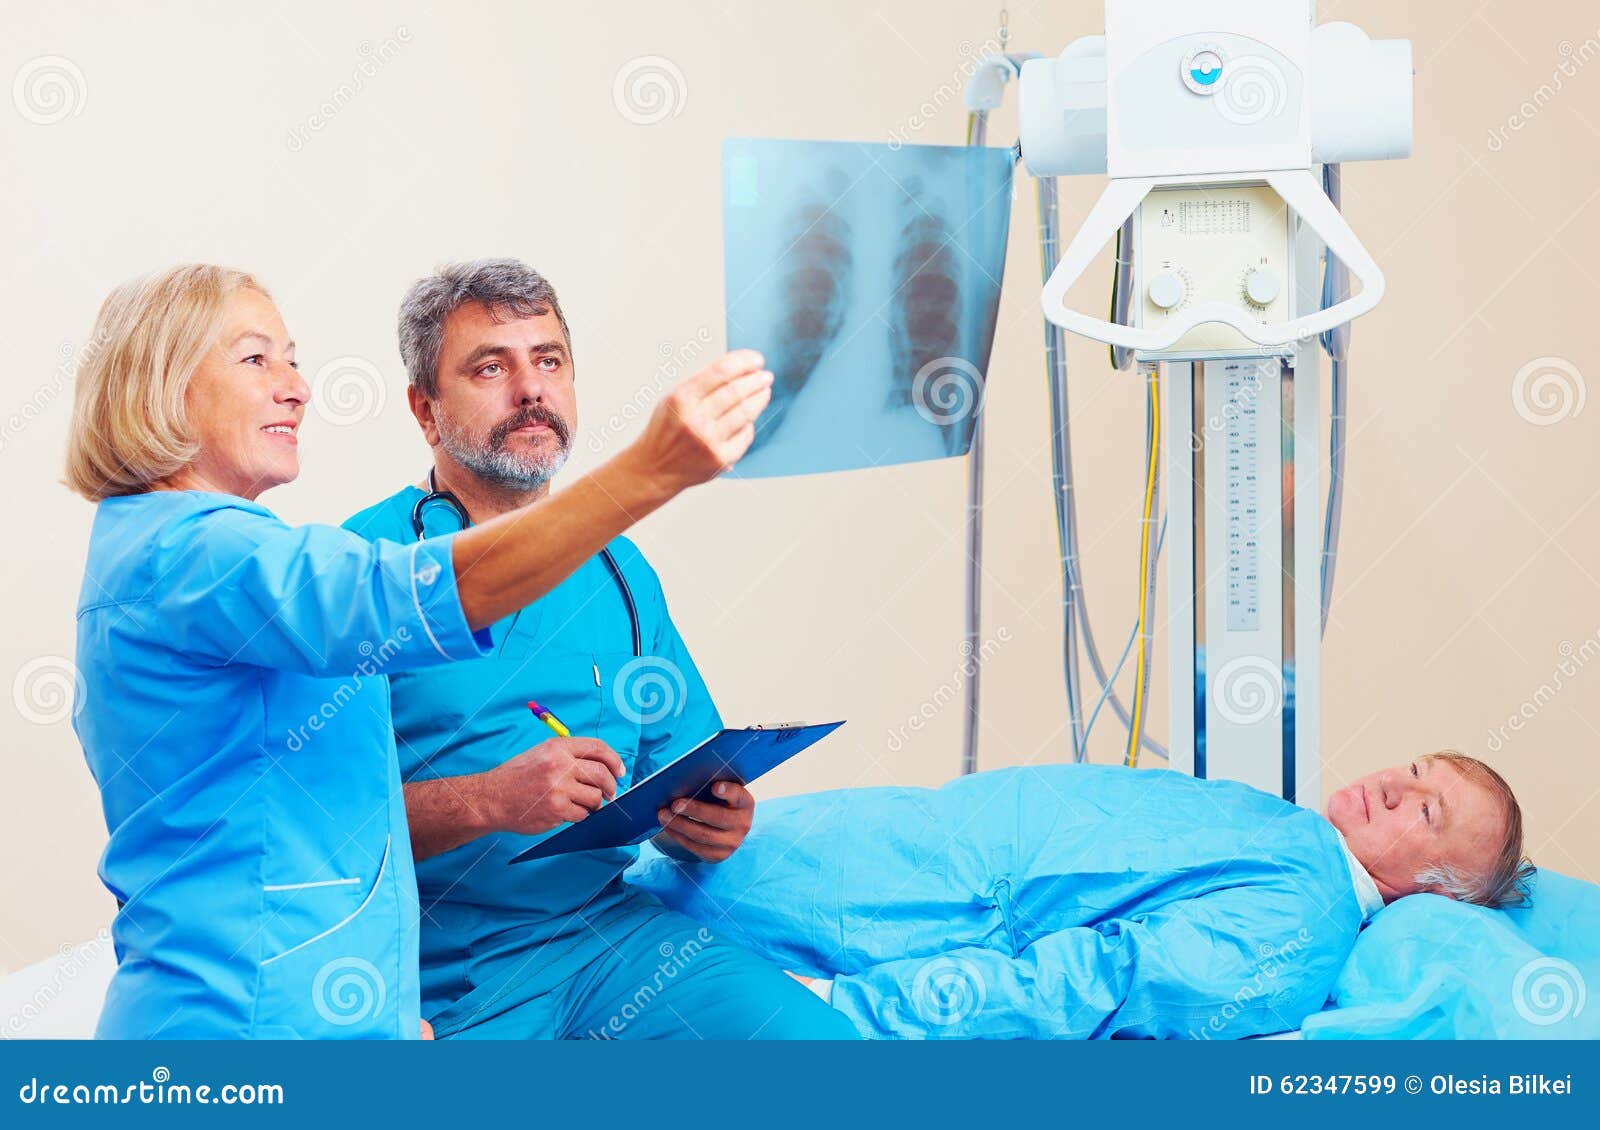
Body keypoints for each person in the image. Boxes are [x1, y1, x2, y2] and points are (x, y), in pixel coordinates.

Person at [65, 264, 772, 1038]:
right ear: (160, 387)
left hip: (421, 987)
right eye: (256, 359)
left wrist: (390, 1016)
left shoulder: (194, 549)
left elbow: (322, 817)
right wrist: (650, 470)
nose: (299, 388)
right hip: (275, 1016)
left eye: (292, 358)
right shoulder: (210, 556)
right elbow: (417, 597)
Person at [343, 259, 857, 1040]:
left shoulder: (617, 569)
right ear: (426, 410)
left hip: (610, 937)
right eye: (491, 367)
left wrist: (701, 820)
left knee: (824, 1054)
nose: (530, 391)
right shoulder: (363, 574)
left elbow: (676, 764)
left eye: (548, 361)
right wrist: (490, 799)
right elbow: (314, 828)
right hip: (446, 975)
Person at [629, 753, 1535, 1039]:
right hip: (894, 842)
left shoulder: (1298, 925)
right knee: (622, 886)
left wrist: (847, 1015)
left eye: (1426, 808)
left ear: (1437, 890)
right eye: (1414, 768)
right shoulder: (1289, 829)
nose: (1394, 784)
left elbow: (1091, 984)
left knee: (607, 949)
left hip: (892, 915)